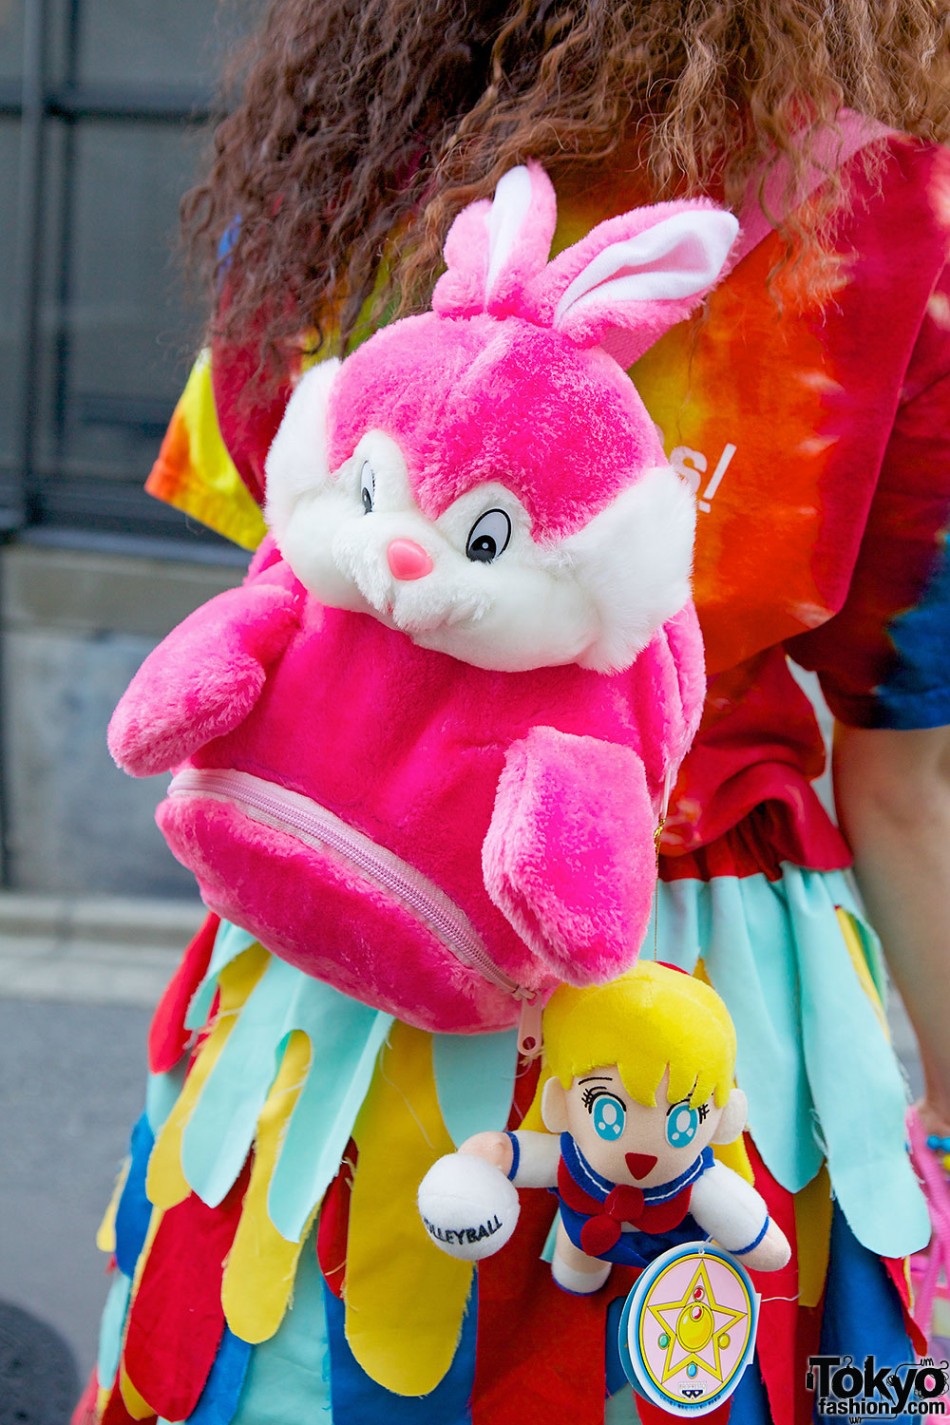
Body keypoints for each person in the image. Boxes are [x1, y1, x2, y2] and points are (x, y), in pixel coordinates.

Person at [76, 3, 950, 1423]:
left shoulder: (350, 157)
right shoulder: (891, 223)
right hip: (691, 1018)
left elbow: (262, 555)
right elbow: (908, 779)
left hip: (331, 958)